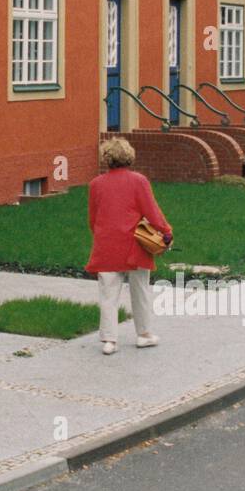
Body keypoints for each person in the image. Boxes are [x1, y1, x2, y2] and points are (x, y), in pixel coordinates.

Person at [87, 137, 172, 354]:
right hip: (135, 245)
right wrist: (166, 231)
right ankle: (144, 334)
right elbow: (152, 211)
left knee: (108, 294)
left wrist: (101, 235)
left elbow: (93, 219)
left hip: (106, 245)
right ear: (129, 156)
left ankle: (109, 340)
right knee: (140, 290)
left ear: (107, 158)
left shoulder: (96, 184)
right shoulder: (139, 181)